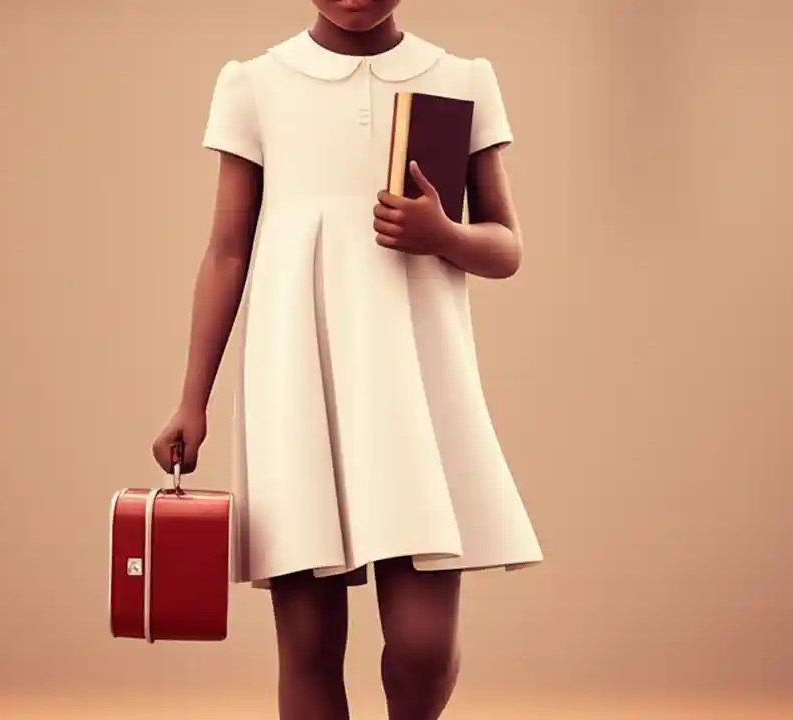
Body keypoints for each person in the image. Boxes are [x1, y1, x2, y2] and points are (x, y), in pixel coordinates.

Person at [151, 1, 542, 717]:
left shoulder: (459, 79)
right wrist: (192, 399)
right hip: (296, 386)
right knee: (308, 647)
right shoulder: (254, 84)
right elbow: (227, 252)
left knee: (423, 652)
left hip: (417, 397)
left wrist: (443, 234)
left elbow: (507, 246)